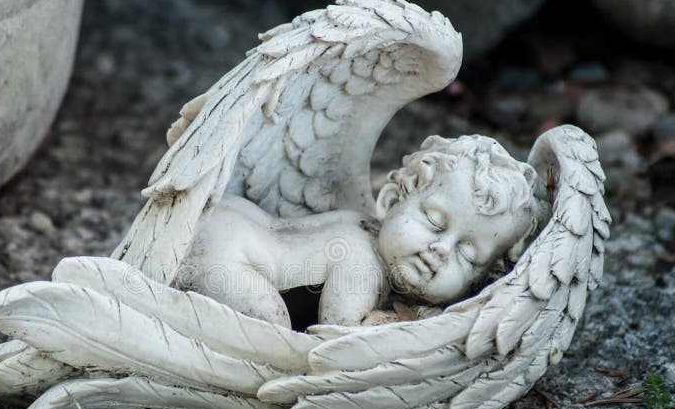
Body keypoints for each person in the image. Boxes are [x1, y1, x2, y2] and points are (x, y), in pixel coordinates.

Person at [175, 135, 550, 328]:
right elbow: (340, 329)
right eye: (435, 222)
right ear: (390, 199)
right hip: (225, 254)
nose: (440, 249)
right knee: (269, 324)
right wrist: (415, 321)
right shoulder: (361, 261)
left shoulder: (365, 232)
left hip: (224, 220)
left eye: (468, 257)